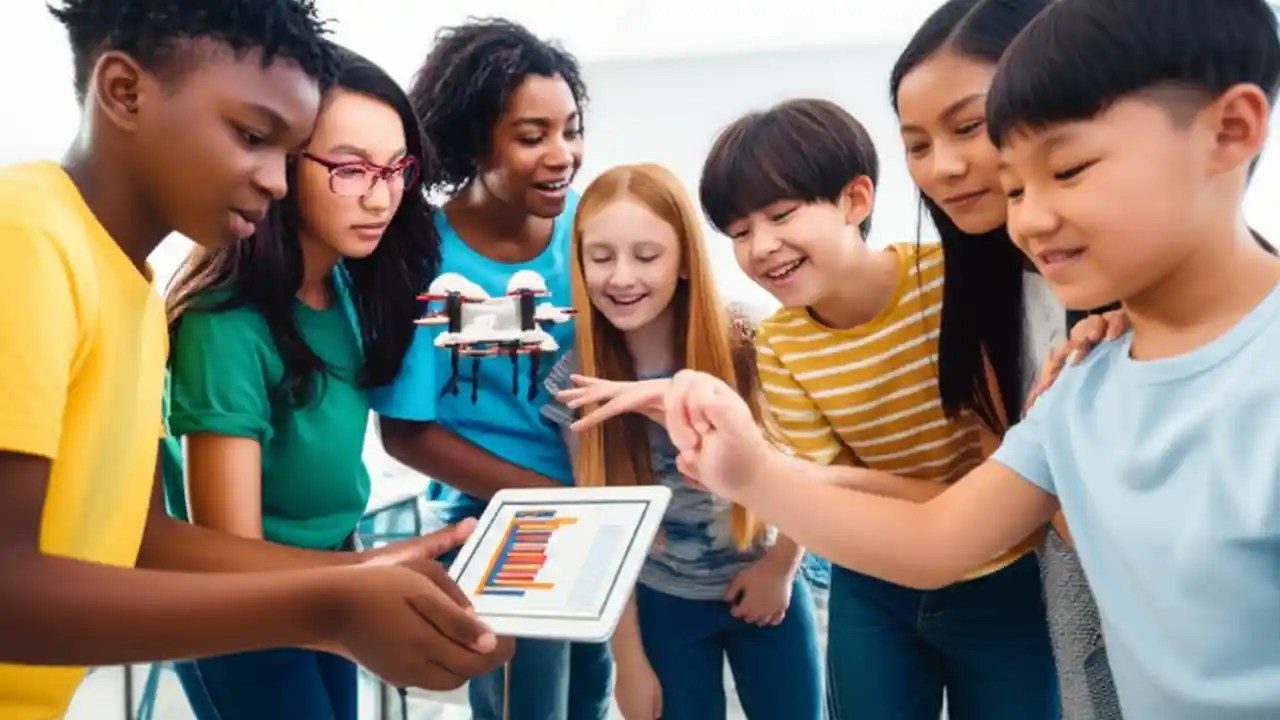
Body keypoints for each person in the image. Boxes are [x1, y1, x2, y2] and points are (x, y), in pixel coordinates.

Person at [577, 1, 1280, 718]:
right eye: (1014, 187)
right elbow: (937, 539)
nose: (1029, 218)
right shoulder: (1076, 381)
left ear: (1229, 131)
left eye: (1067, 169)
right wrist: (747, 468)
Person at [0, 3, 511, 719]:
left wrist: (367, 572)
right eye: (251, 136)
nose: (275, 180)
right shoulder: (24, 240)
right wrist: (329, 604)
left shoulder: (135, 293)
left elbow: (145, 540)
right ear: (123, 91)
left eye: (289, 151)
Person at [698, 97, 1058, 720]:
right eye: (738, 233)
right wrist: (790, 545)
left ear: (855, 200)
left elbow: (1009, 483)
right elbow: (820, 498)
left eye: (781, 214)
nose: (762, 247)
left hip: (1002, 576)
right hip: (873, 579)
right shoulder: (780, 343)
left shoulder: (950, 280)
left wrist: (825, 482)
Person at [162, 45, 437, 719]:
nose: (381, 196)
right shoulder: (224, 323)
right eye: (349, 169)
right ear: (283, 163)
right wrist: (376, 576)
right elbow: (229, 553)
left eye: (395, 169)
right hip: (243, 606)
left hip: (327, 577)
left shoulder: (343, 277)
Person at [371, 18, 611, 720]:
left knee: (593, 695)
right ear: (475, 141)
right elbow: (405, 433)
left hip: (601, 513)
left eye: (570, 129)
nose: (563, 155)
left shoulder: (592, 235)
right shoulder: (422, 259)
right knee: (528, 701)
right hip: (496, 524)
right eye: (532, 136)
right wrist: (548, 497)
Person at [889, 1, 1119, 715]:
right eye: (916, 143)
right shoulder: (987, 282)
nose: (944, 166)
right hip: (1077, 581)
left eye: (968, 126)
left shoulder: (1133, 293)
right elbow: (1017, 488)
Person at [545, 164, 824, 720]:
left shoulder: (751, 338)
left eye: (646, 256)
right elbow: (606, 530)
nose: (621, 277)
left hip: (766, 584)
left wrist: (781, 569)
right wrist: (628, 659)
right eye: (601, 258)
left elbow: (808, 465)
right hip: (662, 603)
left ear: (685, 261)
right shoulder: (575, 380)